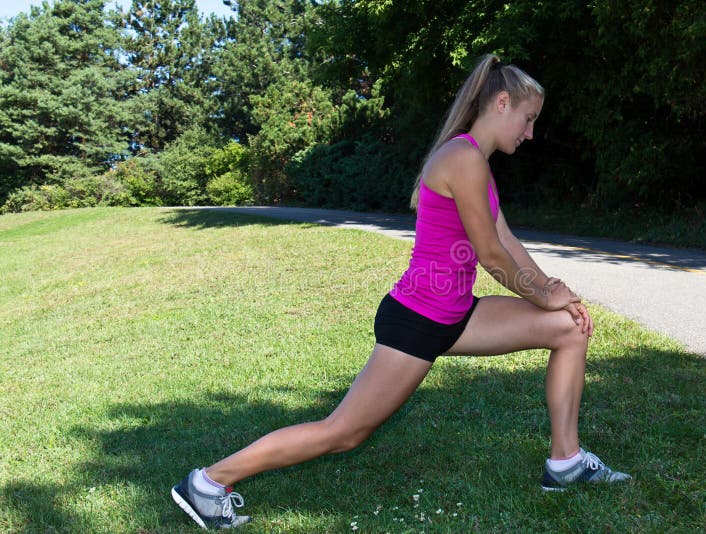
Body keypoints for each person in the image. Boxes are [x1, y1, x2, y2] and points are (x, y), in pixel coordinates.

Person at [170, 54, 631, 530]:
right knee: (344, 432)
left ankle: (565, 461)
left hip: (454, 313)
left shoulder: (478, 163)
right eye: (528, 119)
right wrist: (543, 295)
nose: (530, 132)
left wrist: (555, 293)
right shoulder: (462, 158)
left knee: (568, 328)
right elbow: (492, 257)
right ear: (501, 102)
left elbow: (507, 240)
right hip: (418, 319)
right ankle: (207, 483)